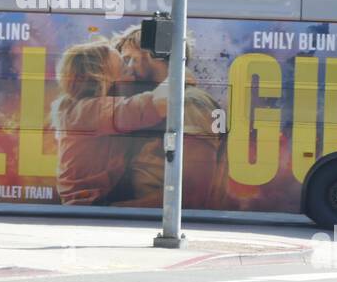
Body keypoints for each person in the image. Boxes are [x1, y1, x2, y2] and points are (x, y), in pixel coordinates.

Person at [109, 26, 229, 210]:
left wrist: (117, 209)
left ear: (152, 55)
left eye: (129, 59)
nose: (127, 69)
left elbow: (192, 194)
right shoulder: (159, 104)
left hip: (166, 221)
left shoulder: (190, 103)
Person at [51, 41, 168, 205]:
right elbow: (159, 104)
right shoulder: (90, 111)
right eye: (123, 67)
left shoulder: (78, 108)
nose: (131, 71)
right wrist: (179, 75)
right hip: (90, 206)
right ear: (101, 79)